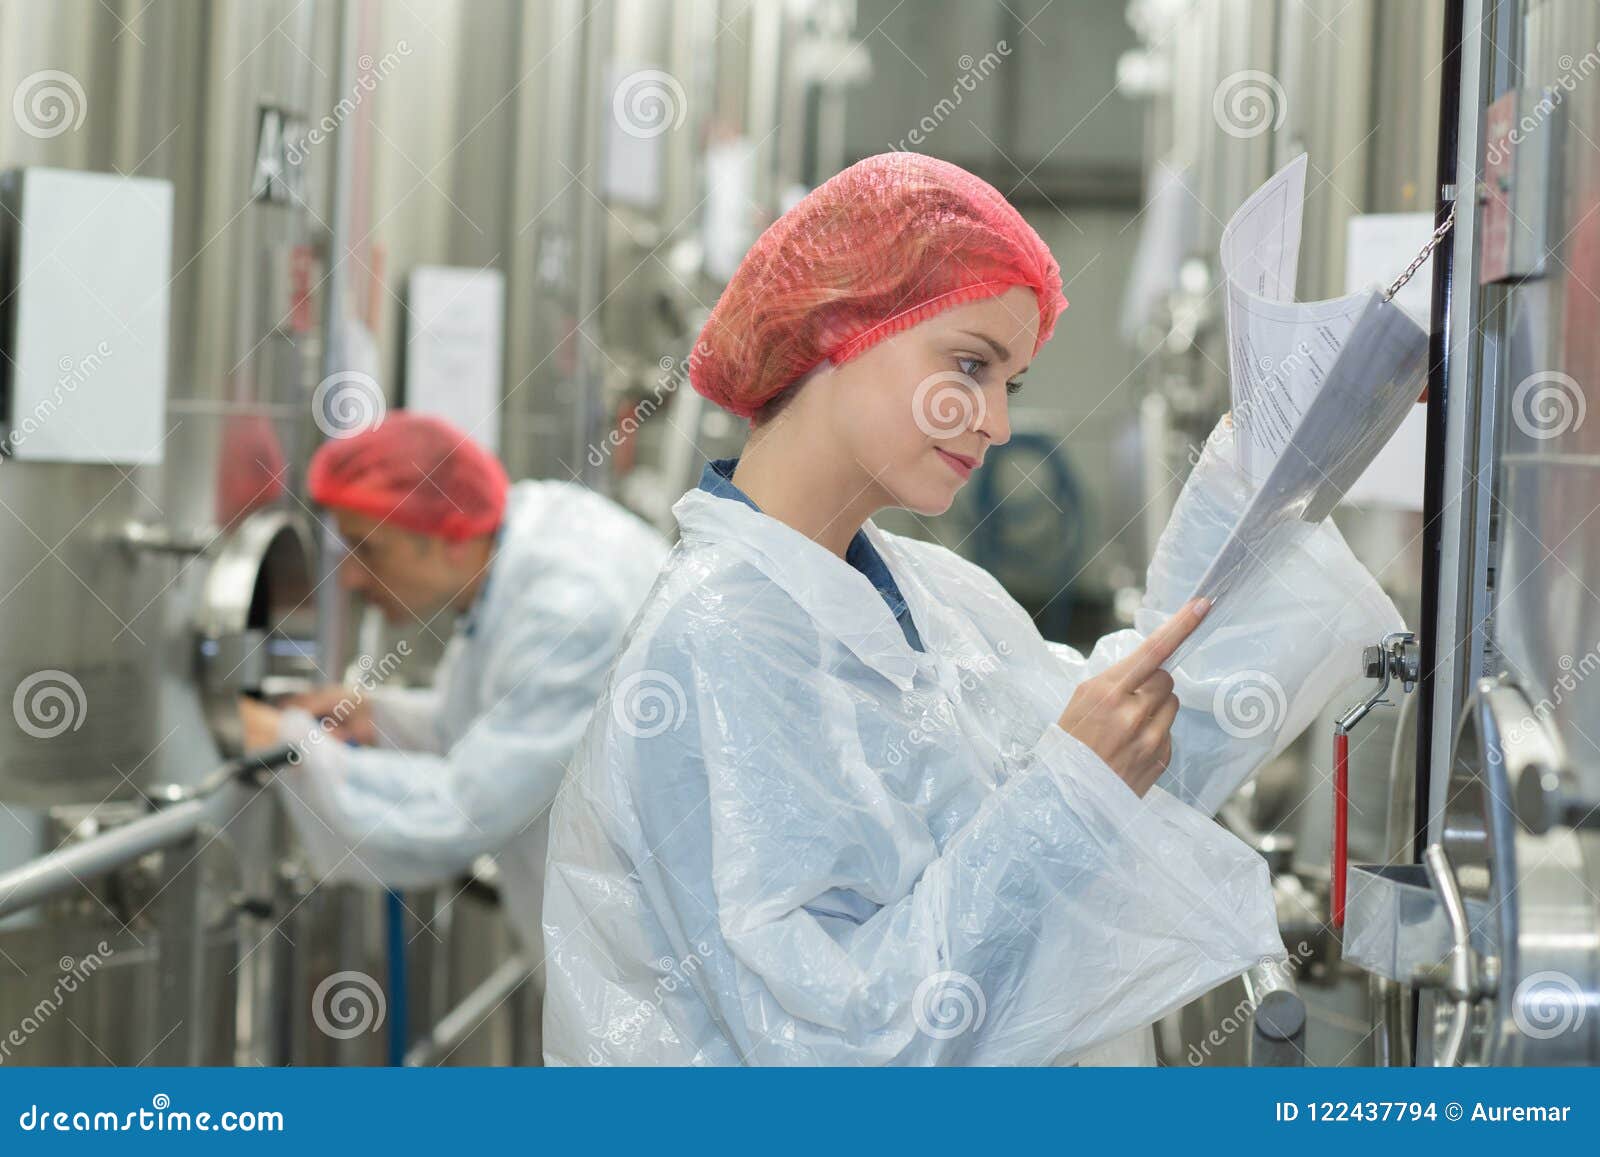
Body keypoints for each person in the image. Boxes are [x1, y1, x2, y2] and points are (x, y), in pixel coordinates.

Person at [540, 153, 1402, 1066]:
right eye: (970, 365)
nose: (994, 421)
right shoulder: (714, 645)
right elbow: (842, 1047)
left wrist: (1266, 477)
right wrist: (1069, 792)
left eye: (1009, 383)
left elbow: (1122, 769)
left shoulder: (932, 593)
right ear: (841, 321)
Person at [239, 411, 668, 1024]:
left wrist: (287, 745)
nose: (353, 578)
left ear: (449, 539)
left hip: (662, 982)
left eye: (368, 548)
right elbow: (501, 725)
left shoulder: (571, 607)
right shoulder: (526, 532)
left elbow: (458, 813)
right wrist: (377, 717)